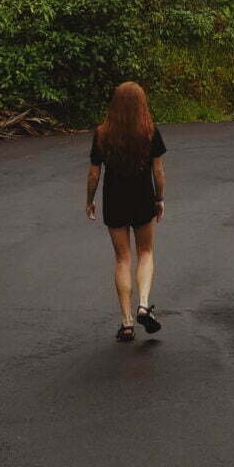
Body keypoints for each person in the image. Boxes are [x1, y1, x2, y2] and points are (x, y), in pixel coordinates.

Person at [86, 81, 167, 342]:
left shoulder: (102, 134)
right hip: (143, 198)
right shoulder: (150, 132)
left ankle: (127, 322)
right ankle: (144, 304)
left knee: (122, 259)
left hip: (115, 200)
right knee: (146, 252)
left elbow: (94, 172)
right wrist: (160, 198)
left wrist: (90, 200)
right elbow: (158, 171)